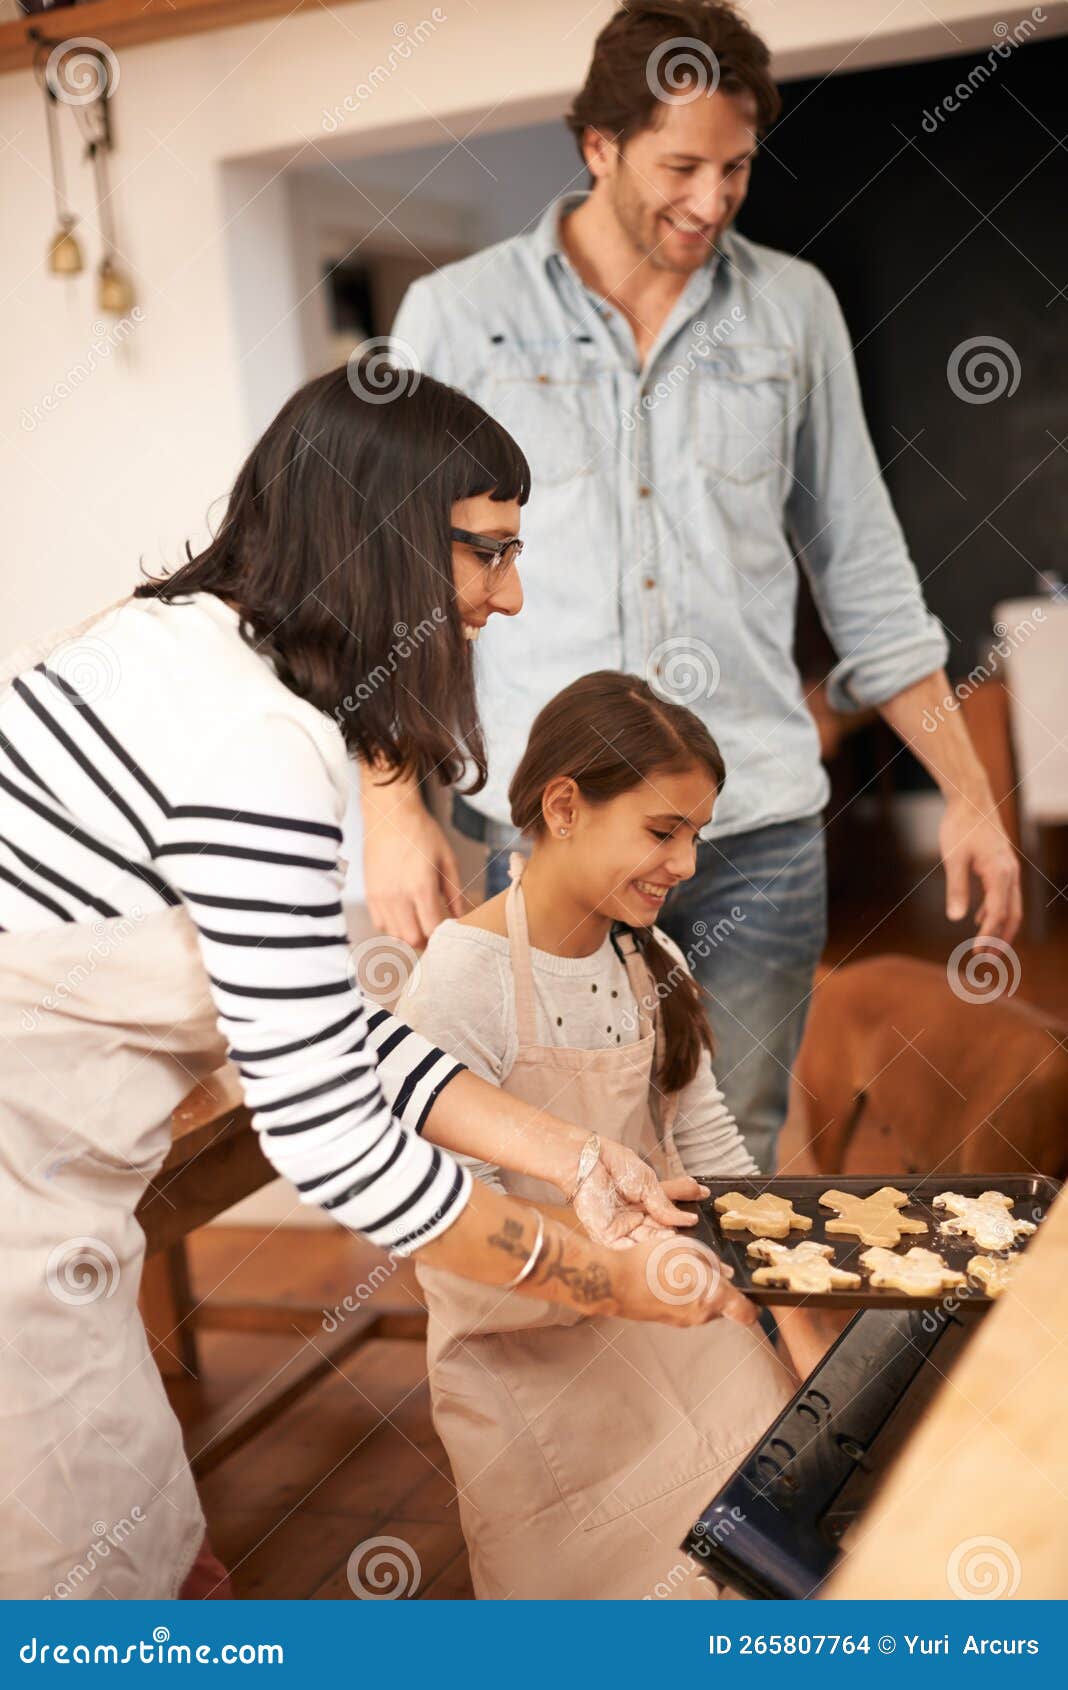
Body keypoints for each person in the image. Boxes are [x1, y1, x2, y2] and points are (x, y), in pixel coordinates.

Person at [0, 363, 746, 1601]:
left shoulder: (167, 645)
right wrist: (599, 1271)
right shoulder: (260, 748)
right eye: (488, 554)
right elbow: (327, 1131)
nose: (508, 597)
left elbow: (331, 1034)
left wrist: (573, 1156)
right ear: (388, 536)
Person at [369, 0, 1021, 1173]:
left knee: (739, 1155)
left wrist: (969, 794)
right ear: (599, 146)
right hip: (543, 832)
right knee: (560, 1157)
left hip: (755, 830)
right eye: (681, 165)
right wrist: (388, 807)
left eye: (736, 168)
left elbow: (863, 563)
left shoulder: (791, 309)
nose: (712, 201)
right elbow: (384, 575)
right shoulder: (458, 319)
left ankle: (728, 1359)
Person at [396, 671, 821, 1600]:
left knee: (770, 1565)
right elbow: (456, 1226)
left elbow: (713, 1161)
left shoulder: (651, 957)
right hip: (529, 1364)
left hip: (674, 1325)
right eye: (663, 832)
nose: (687, 865)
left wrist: (798, 1327)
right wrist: (628, 1272)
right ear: (564, 806)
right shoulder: (462, 980)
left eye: (696, 836)